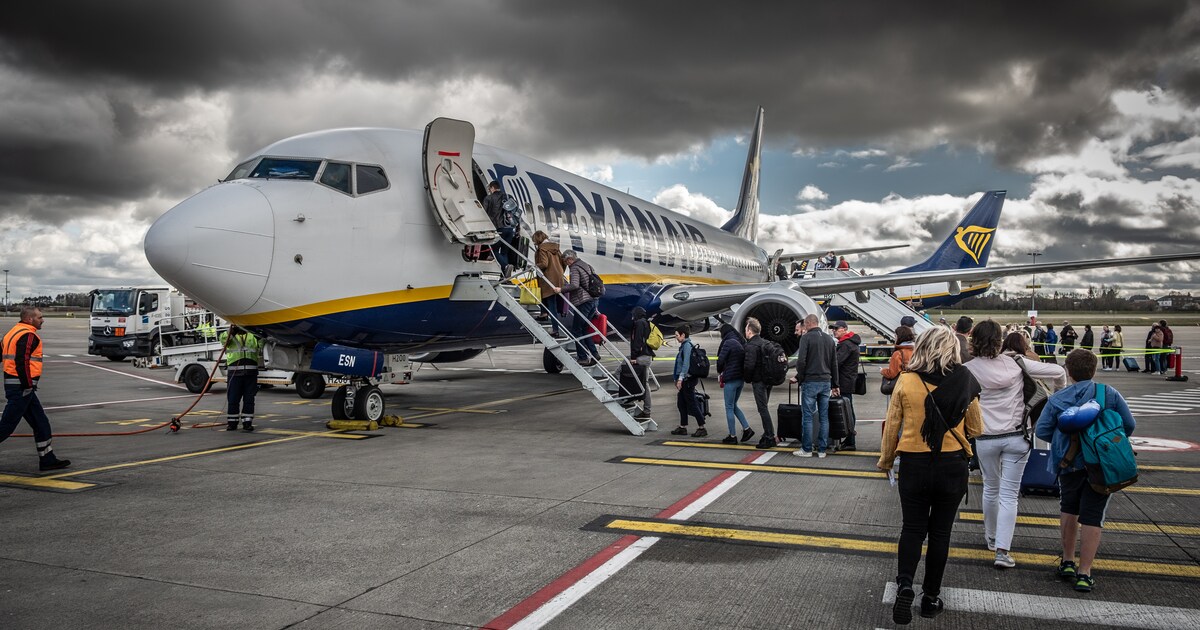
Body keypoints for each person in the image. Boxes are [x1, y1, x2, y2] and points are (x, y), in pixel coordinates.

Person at [877, 326, 983, 624]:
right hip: (951, 464)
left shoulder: (907, 380)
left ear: (922, 346)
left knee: (912, 529)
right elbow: (976, 428)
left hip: (914, 463)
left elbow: (892, 426)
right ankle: (931, 596)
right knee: (940, 533)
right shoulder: (965, 380)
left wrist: (886, 462)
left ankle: (905, 584)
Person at [964, 320, 1066, 569]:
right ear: (999, 340)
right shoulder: (1016, 364)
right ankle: (1002, 550)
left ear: (973, 341)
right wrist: (1059, 394)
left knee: (990, 488)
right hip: (1017, 437)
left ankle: (990, 537)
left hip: (985, 438)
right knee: (1010, 495)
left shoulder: (967, 369)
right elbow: (1059, 372)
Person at [1036, 349, 1136, 593]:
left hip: (1068, 464)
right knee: (1093, 515)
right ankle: (1085, 572)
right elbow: (1129, 425)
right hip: (1102, 465)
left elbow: (1042, 431)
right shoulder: (1108, 393)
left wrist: (1063, 441)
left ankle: (1067, 561)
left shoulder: (1057, 399)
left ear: (1068, 372)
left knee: (1068, 508)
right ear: (1094, 369)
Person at [1, 307, 70, 470]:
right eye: (40, 317)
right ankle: (47, 459)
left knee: (41, 423)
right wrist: (27, 384)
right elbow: (21, 361)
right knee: (6, 426)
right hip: (21, 387)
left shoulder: (11, 333)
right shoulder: (28, 335)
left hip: (18, 386)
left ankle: (47, 459)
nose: (43, 320)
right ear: (29, 319)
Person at [790, 314, 836, 458]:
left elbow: (801, 362)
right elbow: (834, 363)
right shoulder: (829, 339)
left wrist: (800, 377)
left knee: (808, 417)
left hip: (810, 381)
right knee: (824, 417)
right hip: (826, 382)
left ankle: (807, 449)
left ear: (808, 324)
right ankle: (822, 450)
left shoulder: (806, 338)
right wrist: (835, 384)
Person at [554, 250, 600, 367]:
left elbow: (575, 285)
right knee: (584, 329)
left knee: (576, 331)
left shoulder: (574, 267)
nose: (566, 264)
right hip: (593, 301)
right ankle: (594, 354)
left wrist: (561, 289)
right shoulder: (586, 265)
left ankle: (583, 358)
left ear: (569, 259)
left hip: (583, 301)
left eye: (565, 261)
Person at [742, 317, 778, 448]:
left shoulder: (751, 345)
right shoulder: (765, 343)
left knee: (762, 409)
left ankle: (769, 436)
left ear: (749, 330)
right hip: (768, 380)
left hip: (759, 381)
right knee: (764, 407)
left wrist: (747, 378)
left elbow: (749, 366)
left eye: (746, 328)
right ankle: (767, 434)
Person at [220, 326, 262, 431]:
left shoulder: (253, 335)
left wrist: (258, 333)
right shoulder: (230, 334)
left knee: (249, 399)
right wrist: (232, 332)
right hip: (235, 373)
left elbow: (262, 344)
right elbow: (223, 340)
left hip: (250, 373)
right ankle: (232, 423)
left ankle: (247, 422)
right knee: (233, 399)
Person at [716, 323, 753, 444]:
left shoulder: (728, 342)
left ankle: (732, 436)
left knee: (729, 407)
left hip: (731, 379)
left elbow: (720, 360)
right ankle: (747, 428)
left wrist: (719, 371)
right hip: (740, 379)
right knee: (734, 405)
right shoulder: (739, 341)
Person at [830, 320, 861, 451]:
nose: (834, 331)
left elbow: (836, 363)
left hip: (844, 382)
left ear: (844, 329)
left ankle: (850, 440)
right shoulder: (851, 343)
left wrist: (834, 384)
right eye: (833, 329)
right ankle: (849, 439)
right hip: (848, 380)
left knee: (847, 412)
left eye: (836, 329)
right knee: (848, 410)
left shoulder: (846, 345)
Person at [670, 325, 706, 437]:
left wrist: (680, 378)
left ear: (683, 335)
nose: (676, 337)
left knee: (692, 404)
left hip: (687, 380)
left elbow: (685, 364)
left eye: (677, 335)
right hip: (686, 379)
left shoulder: (686, 346)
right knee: (681, 403)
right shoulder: (684, 345)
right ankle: (683, 426)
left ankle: (702, 427)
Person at [533, 230, 566, 337]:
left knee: (552, 305)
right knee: (545, 297)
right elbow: (563, 263)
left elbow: (544, 264)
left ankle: (555, 329)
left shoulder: (542, 249)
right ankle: (543, 314)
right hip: (558, 278)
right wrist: (559, 273)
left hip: (548, 279)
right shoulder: (555, 248)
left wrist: (534, 266)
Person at [482, 182, 517, 276]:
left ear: (493, 187)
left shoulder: (489, 198)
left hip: (498, 228)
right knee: (504, 252)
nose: (489, 190)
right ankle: (504, 275)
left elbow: (483, 213)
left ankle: (505, 266)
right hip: (510, 229)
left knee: (494, 250)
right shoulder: (508, 196)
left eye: (490, 188)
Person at [628, 307, 655, 421]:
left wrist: (634, 357)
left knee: (620, 371)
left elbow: (638, 341)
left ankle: (626, 398)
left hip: (641, 356)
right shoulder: (647, 323)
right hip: (647, 356)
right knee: (645, 383)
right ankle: (647, 410)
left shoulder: (639, 323)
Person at [880, 325, 916, 407]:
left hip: (902, 388)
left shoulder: (898, 353)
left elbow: (892, 373)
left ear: (899, 337)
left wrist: (882, 371)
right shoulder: (918, 350)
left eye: (895, 336)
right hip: (917, 387)